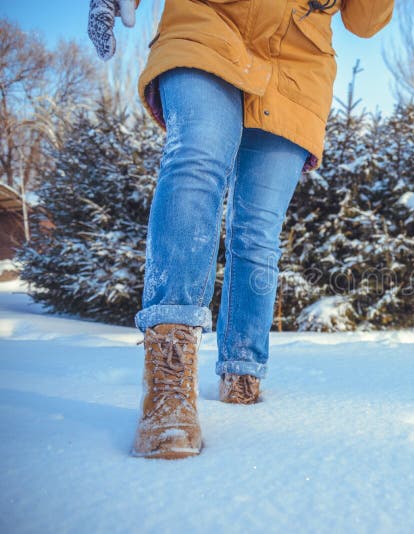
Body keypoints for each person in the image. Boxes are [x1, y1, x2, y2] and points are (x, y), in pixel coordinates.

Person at [87, 0, 394, 460]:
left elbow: (366, 22)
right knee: (196, 158)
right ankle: (168, 379)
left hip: (297, 66)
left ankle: (242, 371)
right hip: (208, 22)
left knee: (258, 229)